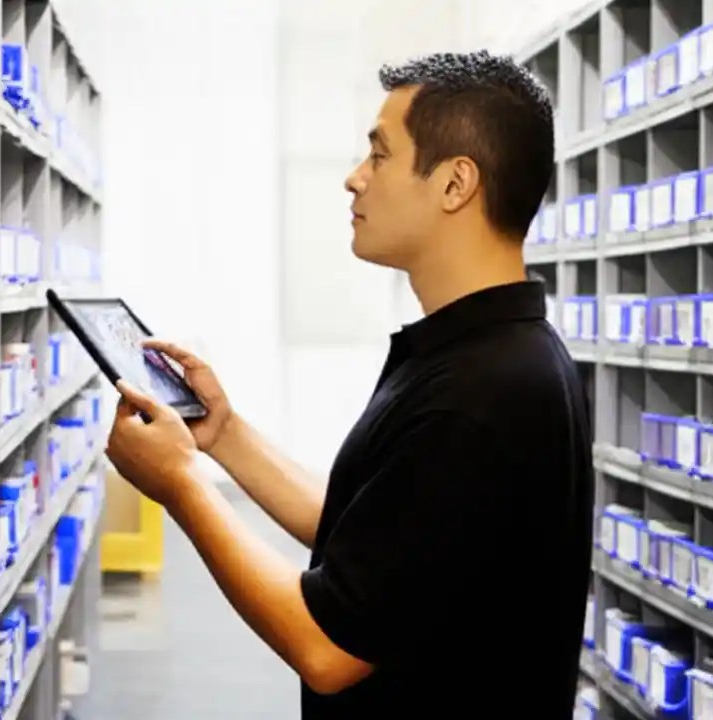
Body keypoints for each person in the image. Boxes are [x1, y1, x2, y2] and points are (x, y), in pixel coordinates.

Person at [104, 50, 594, 717]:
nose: (354, 180)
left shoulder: (484, 394)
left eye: (380, 155)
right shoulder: (484, 353)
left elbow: (329, 647)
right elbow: (373, 535)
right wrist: (224, 436)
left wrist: (182, 486)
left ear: (455, 185)